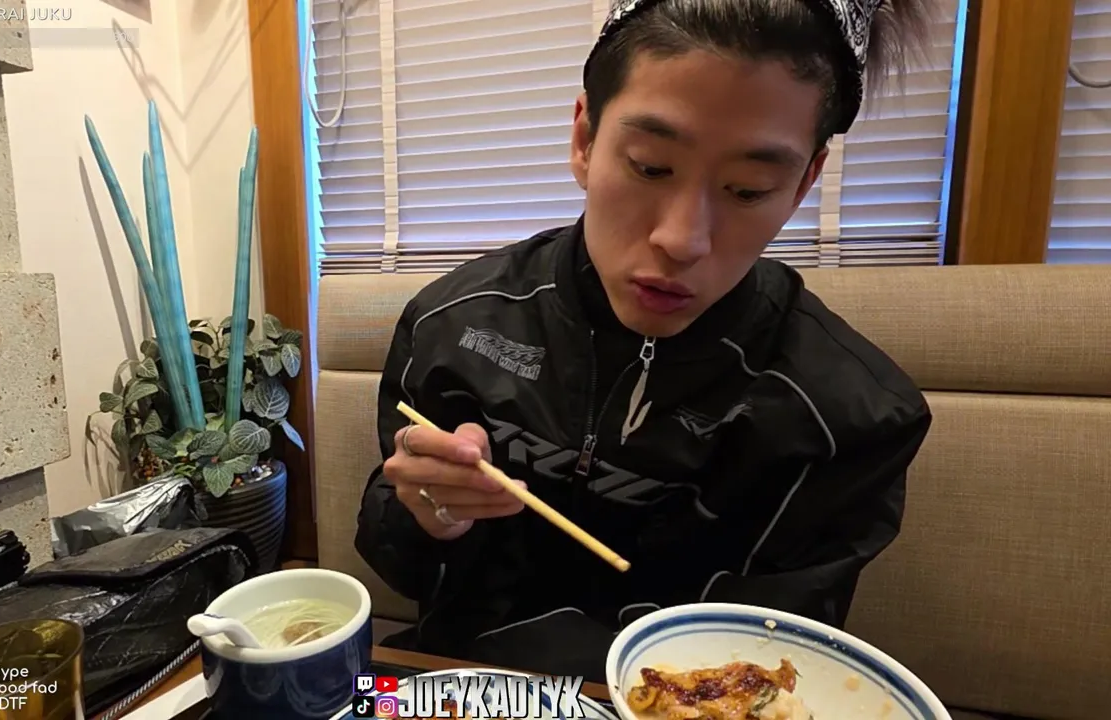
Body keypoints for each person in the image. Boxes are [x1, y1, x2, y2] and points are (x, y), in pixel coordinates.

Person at [355, 0, 935, 681]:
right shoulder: (453, 324)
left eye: (748, 190)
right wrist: (427, 514)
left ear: (805, 182)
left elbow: (768, 660)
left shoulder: (847, 417)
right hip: (458, 692)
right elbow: (403, 569)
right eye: (651, 167)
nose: (682, 240)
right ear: (584, 139)